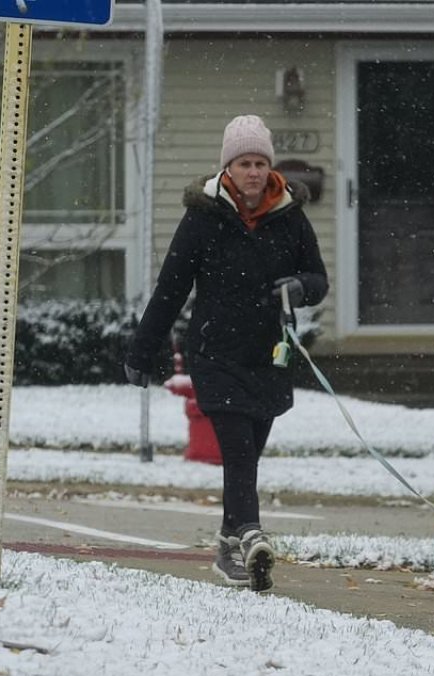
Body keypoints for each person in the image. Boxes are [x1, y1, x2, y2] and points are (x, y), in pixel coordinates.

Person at [124, 114, 328, 593]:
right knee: (237, 450)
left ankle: (226, 542)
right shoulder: (203, 217)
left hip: (269, 354)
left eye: (260, 162)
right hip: (215, 352)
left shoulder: (289, 216)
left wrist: (299, 287)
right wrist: (142, 349)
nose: (253, 172)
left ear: (269, 167)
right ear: (228, 168)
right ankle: (252, 538)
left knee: (248, 456)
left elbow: (318, 279)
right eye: (243, 163)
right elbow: (170, 289)